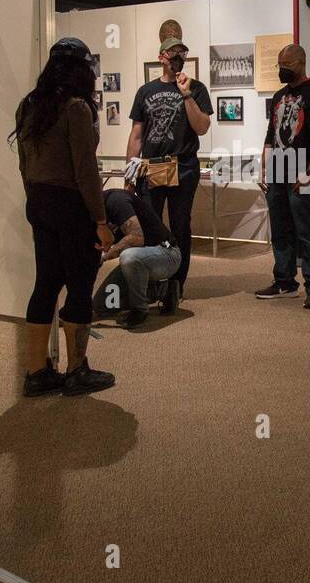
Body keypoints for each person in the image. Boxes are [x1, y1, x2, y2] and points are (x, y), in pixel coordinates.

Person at [11, 37, 115, 398]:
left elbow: (24, 165)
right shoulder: (76, 108)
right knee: (80, 285)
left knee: (46, 284)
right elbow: (86, 171)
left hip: (39, 201)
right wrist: (101, 221)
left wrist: (35, 200)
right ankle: (76, 370)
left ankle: (37, 371)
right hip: (71, 205)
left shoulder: (29, 106)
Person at [125, 35, 211, 304]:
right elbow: (136, 134)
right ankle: (151, 279)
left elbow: (202, 127)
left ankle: (176, 284)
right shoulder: (145, 91)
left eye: (182, 53)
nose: (177, 57)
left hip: (182, 166)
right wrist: (130, 173)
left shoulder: (196, 89)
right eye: (172, 53)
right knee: (151, 226)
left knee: (180, 226)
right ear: (161, 57)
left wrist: (186, 94)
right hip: (151, 168)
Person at [254, 44, 310, 309]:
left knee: (309, 229)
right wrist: (263, 166)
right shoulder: (279, 96)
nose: (281, 70)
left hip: (303, 167)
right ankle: (285, 281)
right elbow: (271, 134)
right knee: (280, 228)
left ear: (301, 63)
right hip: (278, 166)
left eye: (286, 66)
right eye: (279, 65)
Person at [101, 187, 181, 330]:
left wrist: (104, 257)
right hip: (141, 260)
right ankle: (163, 291)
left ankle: (139, 310)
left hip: (167, 253)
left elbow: (137, 237)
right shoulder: (90, 215)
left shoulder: (117, 201)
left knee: (129, 257)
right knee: (104, 305)